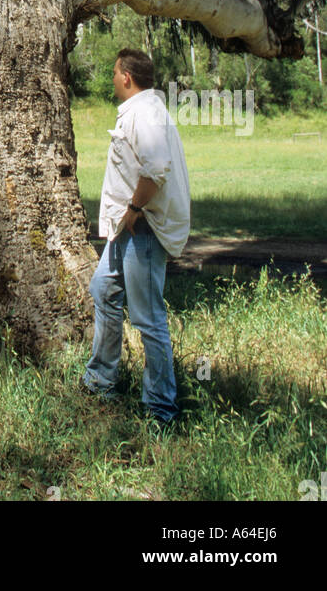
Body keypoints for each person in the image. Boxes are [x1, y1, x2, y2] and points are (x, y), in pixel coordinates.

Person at [82, 48, 191, 424]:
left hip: (140, 229)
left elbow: (157, 167)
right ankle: (101, 381)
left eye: (114, 73)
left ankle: (160, 408)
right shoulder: (143, 110)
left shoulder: (145, 113)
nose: (112, 79)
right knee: (103, 291)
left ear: (126, 76)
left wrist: (135, 209)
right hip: (125, 229)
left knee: (147, 319)